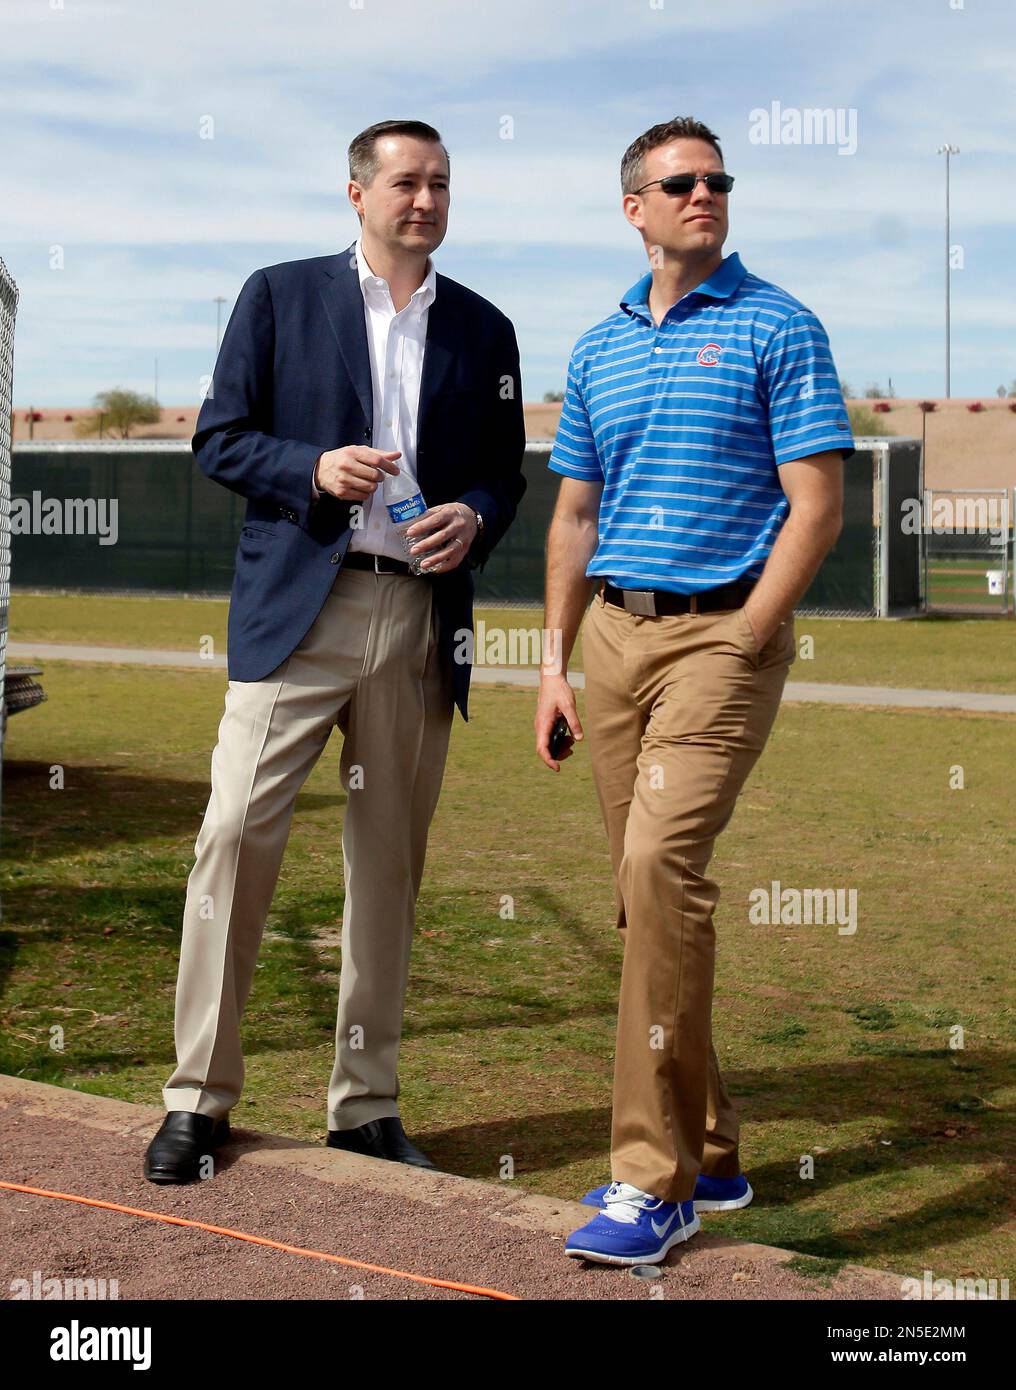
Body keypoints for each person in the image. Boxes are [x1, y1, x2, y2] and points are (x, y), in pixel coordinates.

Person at [145, 119, 526, 1184]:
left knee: (386, 869)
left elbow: (504, 473)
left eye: (441, 182)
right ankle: (196, 1100)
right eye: (405, 181)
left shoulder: (485, 331)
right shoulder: (277, 294)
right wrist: (312, 467)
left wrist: (475, 519)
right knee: (232, 839)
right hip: (296, 618)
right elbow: (219, 437)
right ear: (354, 193)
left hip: (417, 619)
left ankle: (364, 1107)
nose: (425, 199)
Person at [534, 116, 853, 1265]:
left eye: (718, 179)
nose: (705, 194)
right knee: (642, 899)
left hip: (722, 632)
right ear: (634, 206)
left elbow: (813, 504)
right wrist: (552, 662)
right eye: (681, 182)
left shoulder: (779, 324)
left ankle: (649, 1179)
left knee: (659, 868)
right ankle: (711, 1149)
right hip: (613, 639)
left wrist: (749, 635)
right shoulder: (595, 346)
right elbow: (573, 512)